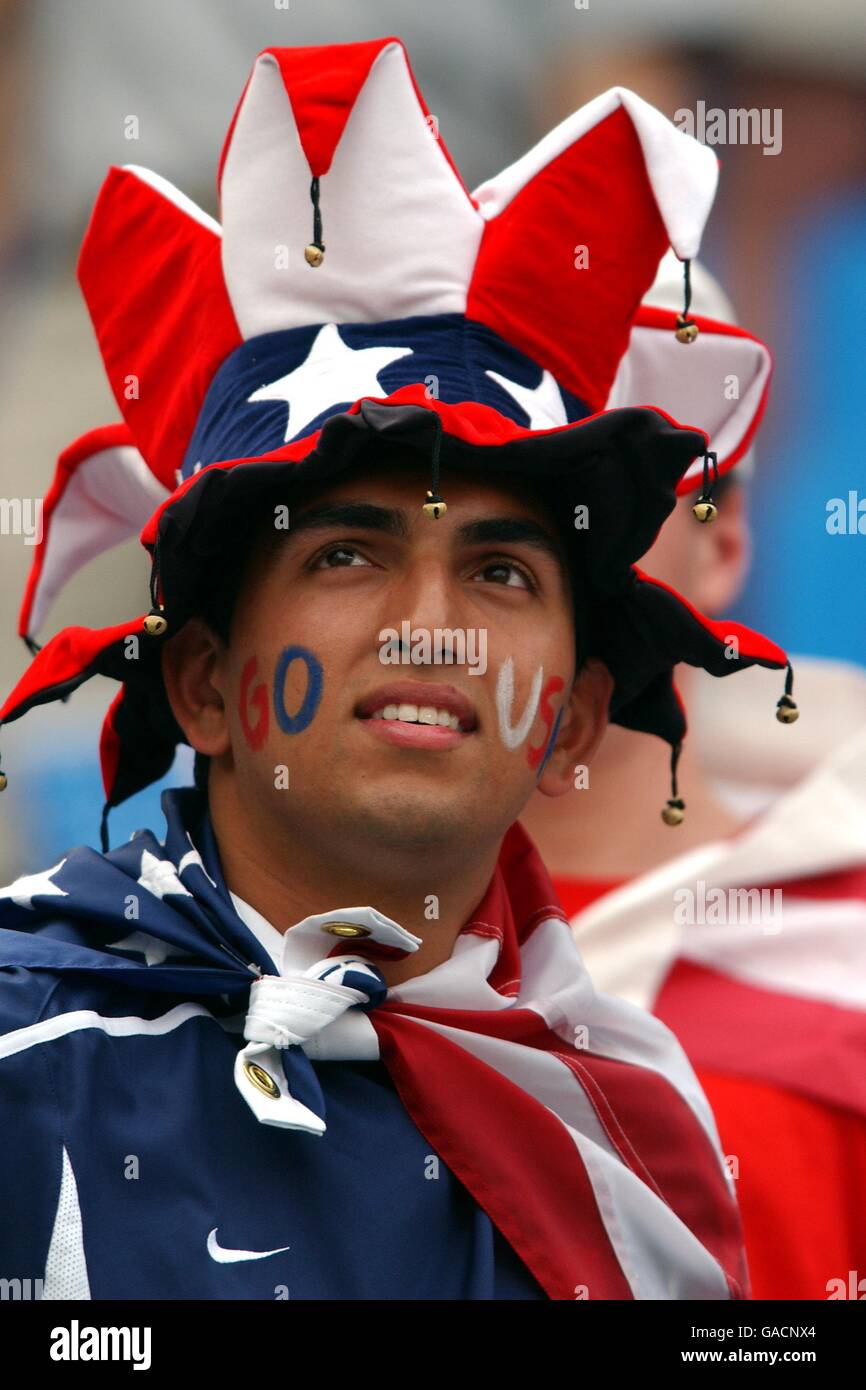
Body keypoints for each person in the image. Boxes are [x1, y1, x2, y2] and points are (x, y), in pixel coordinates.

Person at [0, 38, 796, 1300]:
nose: (431, 627)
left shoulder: (641, 1145)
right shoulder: (22, 1056)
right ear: (202, 684)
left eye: (498, 573)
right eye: (347, 555)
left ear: (576, 721)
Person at [522, 252, 866, 1300]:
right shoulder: (222, 958)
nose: (518, 540)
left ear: (722, 548)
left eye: (587, 476)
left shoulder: (843, 969)